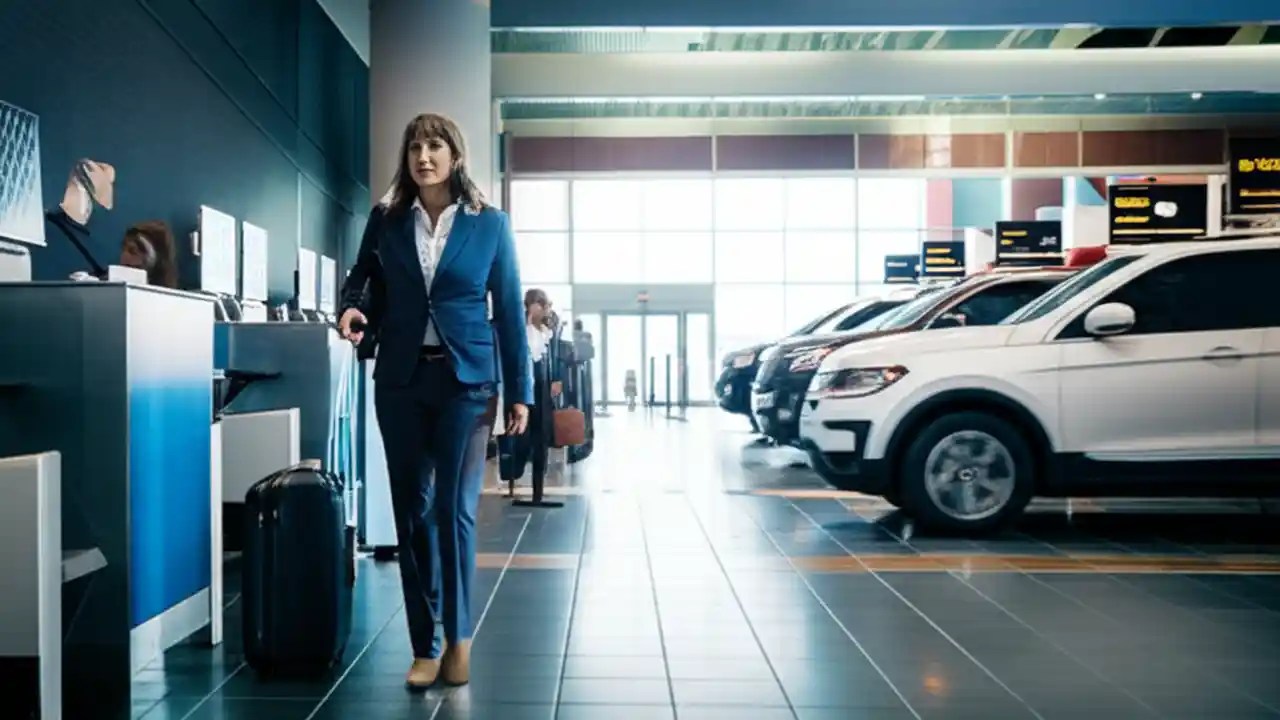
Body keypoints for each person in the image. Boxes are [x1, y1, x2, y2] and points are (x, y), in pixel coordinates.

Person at [336, 112, 531, 691]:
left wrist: (518, 390)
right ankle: (424, 642)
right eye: (416, 146)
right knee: (411, 511)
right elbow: (361, 280)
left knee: (454, 509)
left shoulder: (489, 225)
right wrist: (351, 307)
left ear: (455, 156)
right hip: (399, 381)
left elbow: (511, 310)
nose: (424, 156)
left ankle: (459, 639)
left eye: (435, 146)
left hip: (467, 384)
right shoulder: (387, 220)